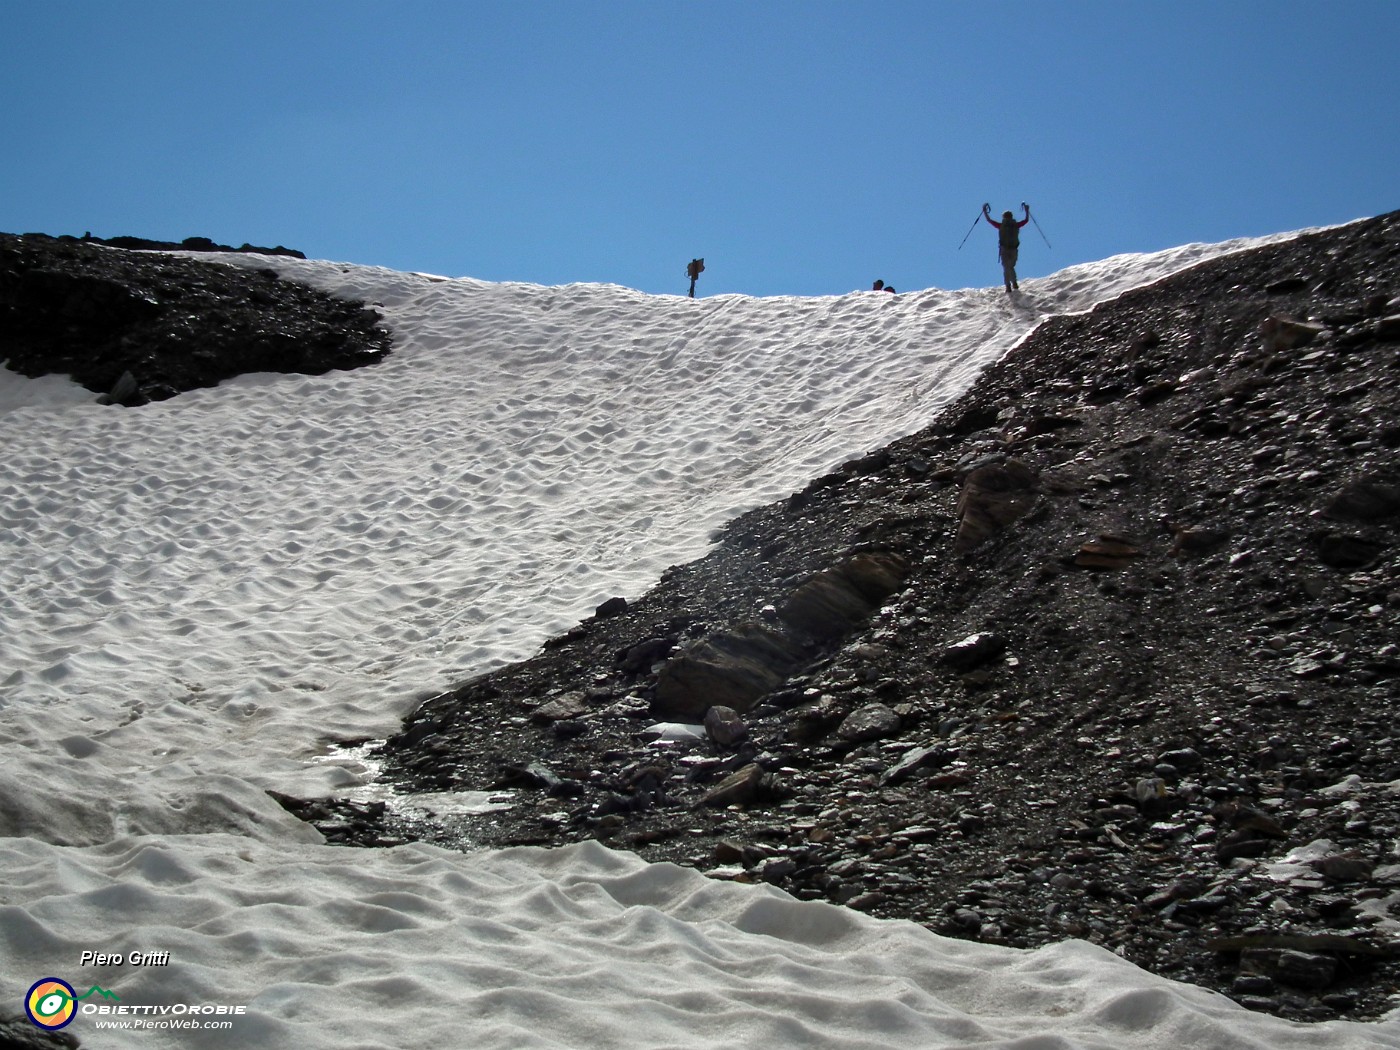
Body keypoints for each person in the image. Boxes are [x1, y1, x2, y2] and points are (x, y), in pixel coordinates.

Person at [982, 202, 1030, 293]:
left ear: (1004, 217)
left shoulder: (1001, 226)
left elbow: (989, 220)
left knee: (1006, 267)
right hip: (1014, 249)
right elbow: (1026, 220)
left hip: (1004, 249)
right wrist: (1027, 211)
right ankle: (1014, 282)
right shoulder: (1016, 225)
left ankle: (1008, 286)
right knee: (1011, 267)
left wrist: (984, 211)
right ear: (1011, 217)